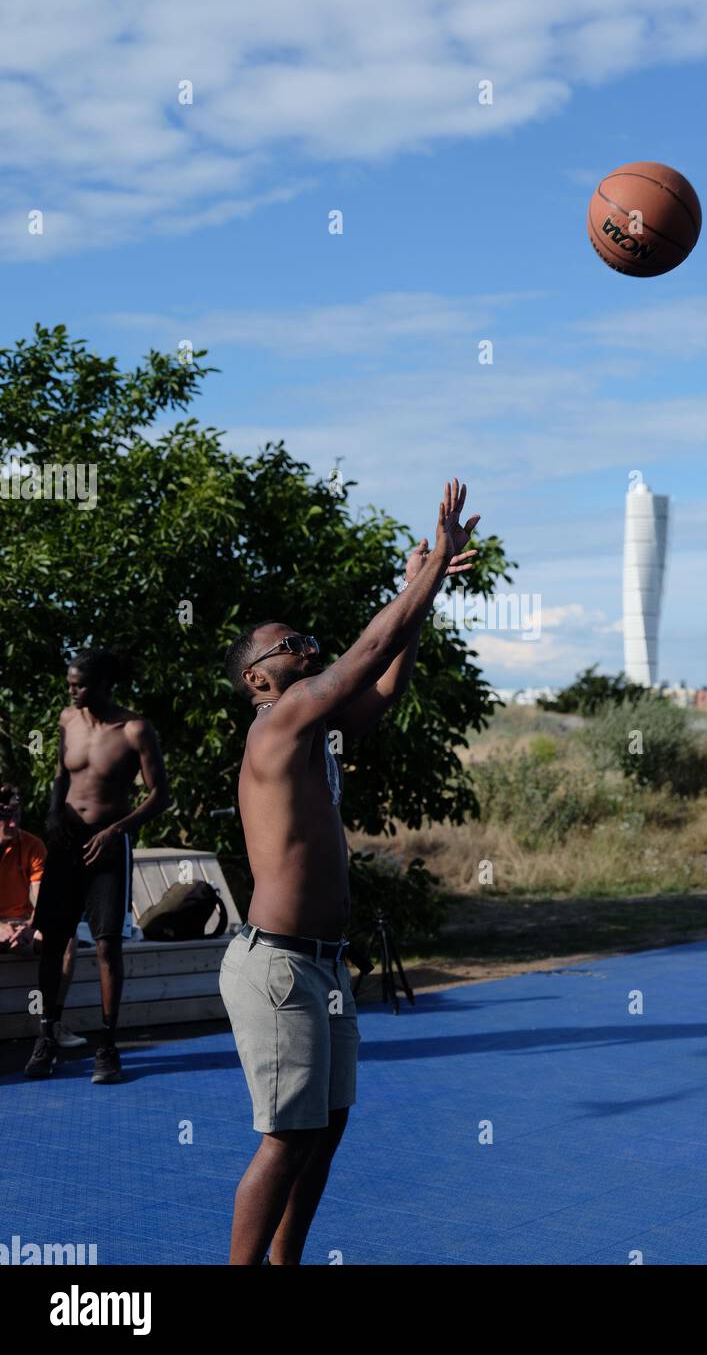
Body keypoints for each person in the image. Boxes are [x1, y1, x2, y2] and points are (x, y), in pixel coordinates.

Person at [220, 477, 479, 1265]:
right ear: (259, 678)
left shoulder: (315, 731)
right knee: (284, 1137)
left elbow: (385, 678)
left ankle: (284, 1263)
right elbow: (365, 651)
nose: (306, 644)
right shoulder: (276, 726)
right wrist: (427, 571)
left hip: (324, 966)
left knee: (323, 1130)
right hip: (277, 967)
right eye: (289, 642)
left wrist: (418, 599)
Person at [24, 649, 170, 1083]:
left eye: (80, 684)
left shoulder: (135, 729)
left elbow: (160, 796)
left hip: (107, 845)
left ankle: (108, 1044)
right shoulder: (68, 718)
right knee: (52, 940)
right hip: (64, 843)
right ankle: (46, 1035)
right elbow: (60, 774)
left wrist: (116, 831)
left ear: (105, 685)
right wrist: (53, 813)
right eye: (70, 683)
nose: (72, 690)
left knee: (107, 945)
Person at [0, 784, 85, 1046]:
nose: (13, 822)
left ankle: (52, 1023)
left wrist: (30, 925)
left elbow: (44, 901)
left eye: (17, 814)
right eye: (5, 816)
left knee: (67, 938)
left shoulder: (32, 845)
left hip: (23, 925)